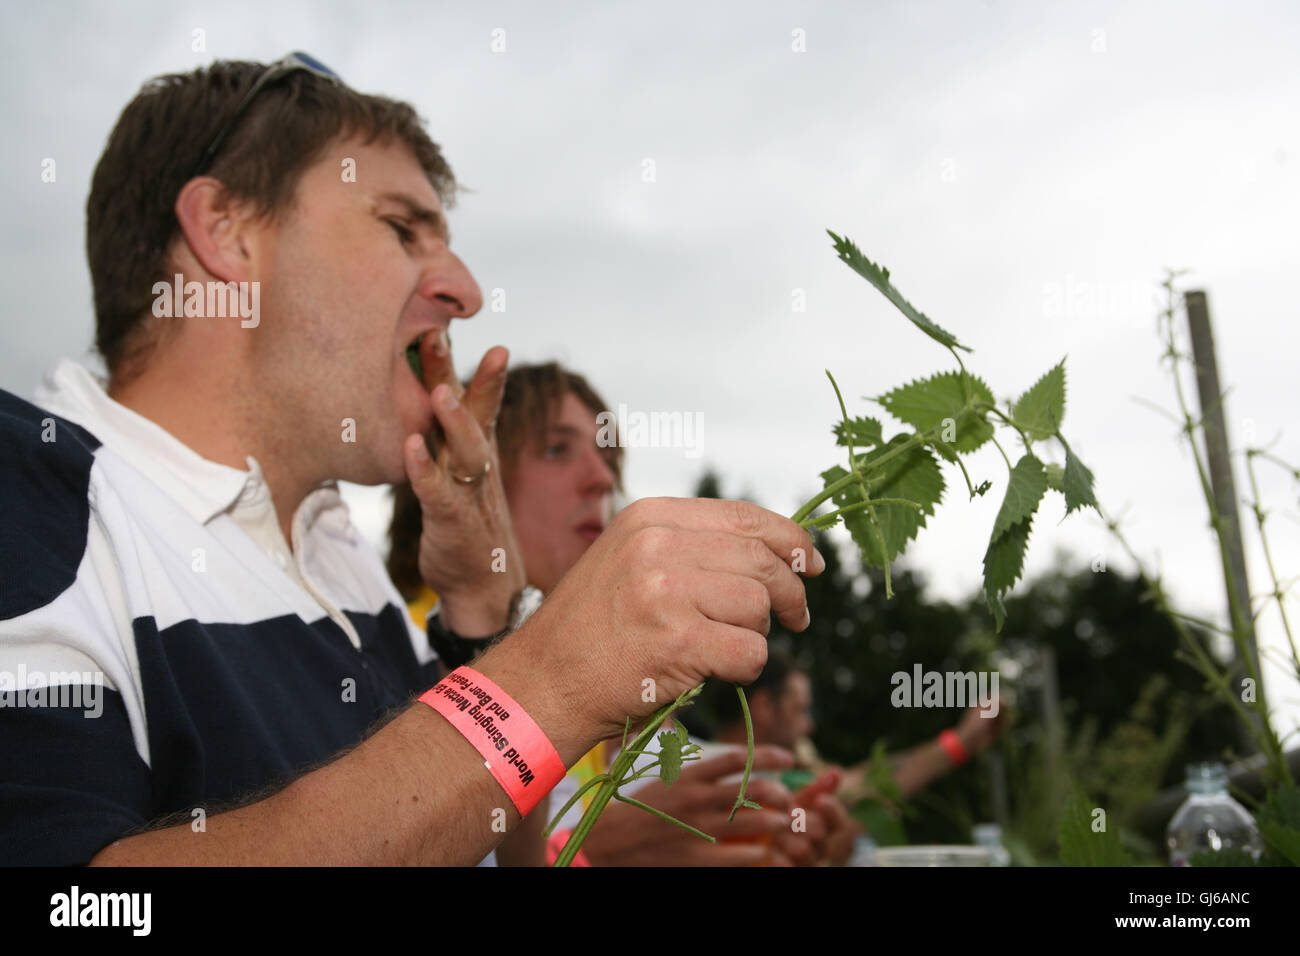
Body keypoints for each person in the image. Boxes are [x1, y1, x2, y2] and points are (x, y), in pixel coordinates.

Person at [0, 54, 823, 866]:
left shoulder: (337, 558)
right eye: (402, 228)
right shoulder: (30, 488)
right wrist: (552, 674)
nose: (464, 289)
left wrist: (482, 618)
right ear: (226, 234)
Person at [389, 362, 856, 865]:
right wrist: (588, 854)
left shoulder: (596, 659)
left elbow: (669, 804)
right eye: (556, 449)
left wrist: (774, 821)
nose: (601, 478)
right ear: (469, 471)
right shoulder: (398, 646)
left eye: (608, 456)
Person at [705, 650, 1007, 806]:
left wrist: (962, 740)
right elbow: (868, 789)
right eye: (800, 711)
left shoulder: (763, 773)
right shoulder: (743, 782)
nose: (808, 726)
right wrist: (962, 741)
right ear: (763, 708)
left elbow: (863, 776)